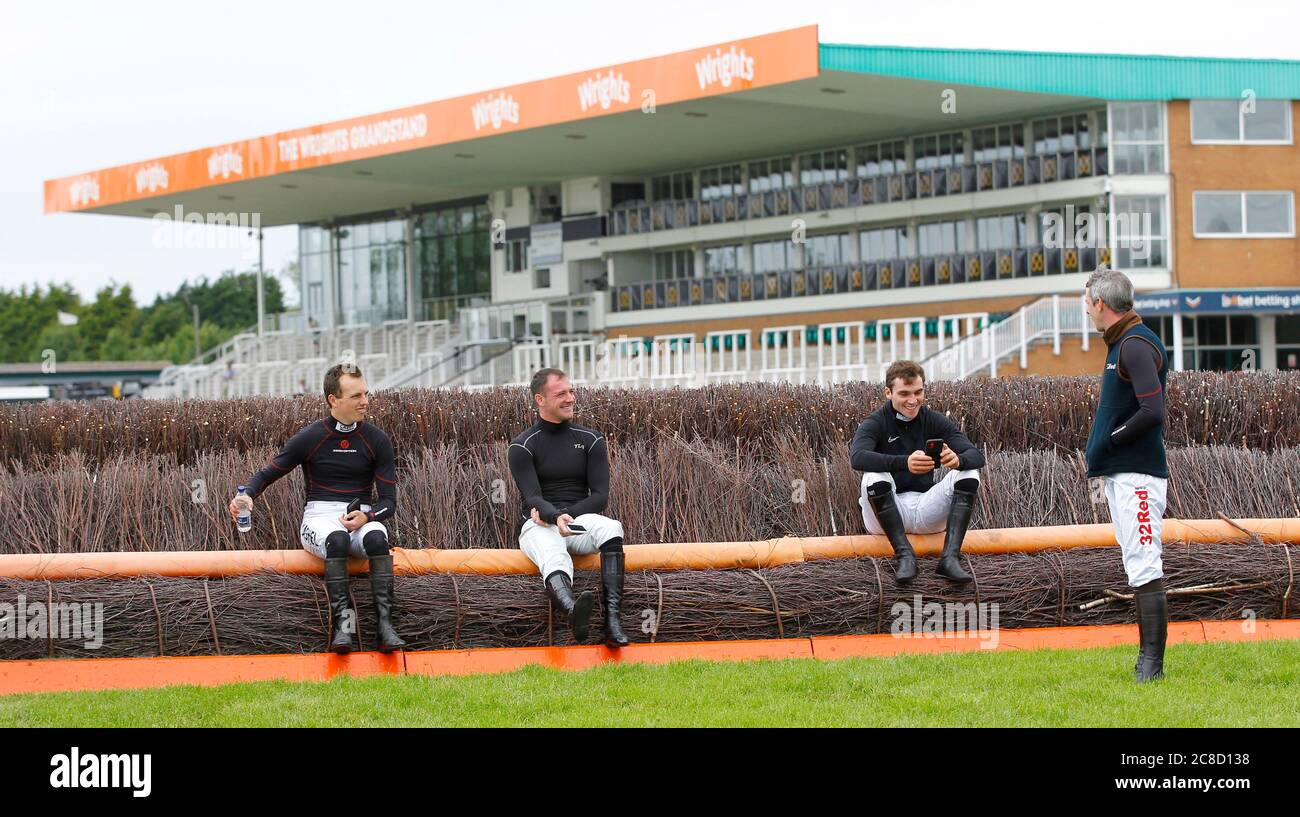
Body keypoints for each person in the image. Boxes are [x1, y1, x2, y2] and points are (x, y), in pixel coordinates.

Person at [227, 363, 405, 654]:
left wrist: (367, 516)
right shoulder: (310, 437)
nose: (365, 401)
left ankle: (386, 627)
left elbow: (389, 503)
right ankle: (343, 627)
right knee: (338, 540)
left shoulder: (377, 440)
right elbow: (267, 474)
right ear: (333, 400)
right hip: (319, 519)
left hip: (360, 516)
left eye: (366, 393)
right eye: (356, 396)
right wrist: (246, 495)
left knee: (376, 538)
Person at [1084, 266, 1169, 682]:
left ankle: (1151, 666)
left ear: (1101, 304)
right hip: (1122, 473)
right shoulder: (1121, 342)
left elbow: (1152, 411)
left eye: (1087, 303)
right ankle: (1146, 661)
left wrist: (1113, 439)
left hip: (1137, 474)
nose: (1086, 311)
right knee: (1135, 562)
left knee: (1144, 564)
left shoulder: (1135, 344)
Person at [507, 367, 629, 647]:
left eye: (571, 391)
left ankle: (612, 622)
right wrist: (554, 516)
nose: (570, 398)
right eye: (561, 393)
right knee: (553, 551)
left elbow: (600, 495)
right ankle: (573, 612)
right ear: (540, 399)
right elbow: (532, 498)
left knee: (612, 527)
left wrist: (568, 516)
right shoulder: (522, 446)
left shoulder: (592, 439)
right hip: (540, 525)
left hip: (578, 522)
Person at [849, 360, 986, 584]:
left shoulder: (934, 419)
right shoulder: (875, 422)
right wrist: (905, 463)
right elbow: (857, 457)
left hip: (926, 510)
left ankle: (950, 558)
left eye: (918, 392)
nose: (913, 401)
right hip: (883, 517)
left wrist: (957, 459)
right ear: (888, 392)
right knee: (872, 476)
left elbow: (976, 455)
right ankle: (904, 555)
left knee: (968, 472)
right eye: (904, 393)